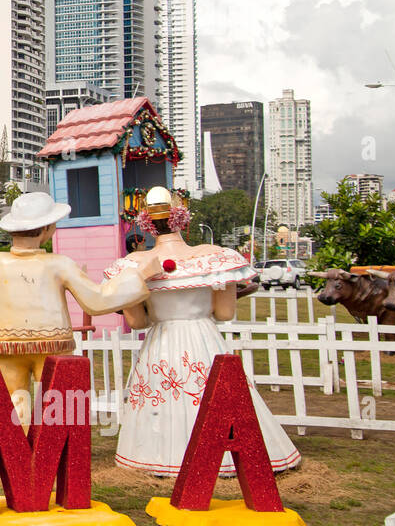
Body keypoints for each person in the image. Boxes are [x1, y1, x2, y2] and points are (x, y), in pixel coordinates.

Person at [107, 186, 301, 477]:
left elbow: (137, 323)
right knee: (216, 394)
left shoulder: (133, 265)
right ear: (182, 219)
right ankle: (228, 458)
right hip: (203, 338)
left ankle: (160, 459)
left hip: (161, 342)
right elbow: (224, 313)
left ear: (146, 223)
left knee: (162, 399)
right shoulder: (214, 258)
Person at [0, 192, 158, 424]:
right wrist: (138, 277)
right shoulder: (60, 264)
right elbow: (97, 300)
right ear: (47, 229)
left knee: (12, 405)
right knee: (57, 407)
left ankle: (17, 453)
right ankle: (50, 453)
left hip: (6, 344)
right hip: (53, 343)